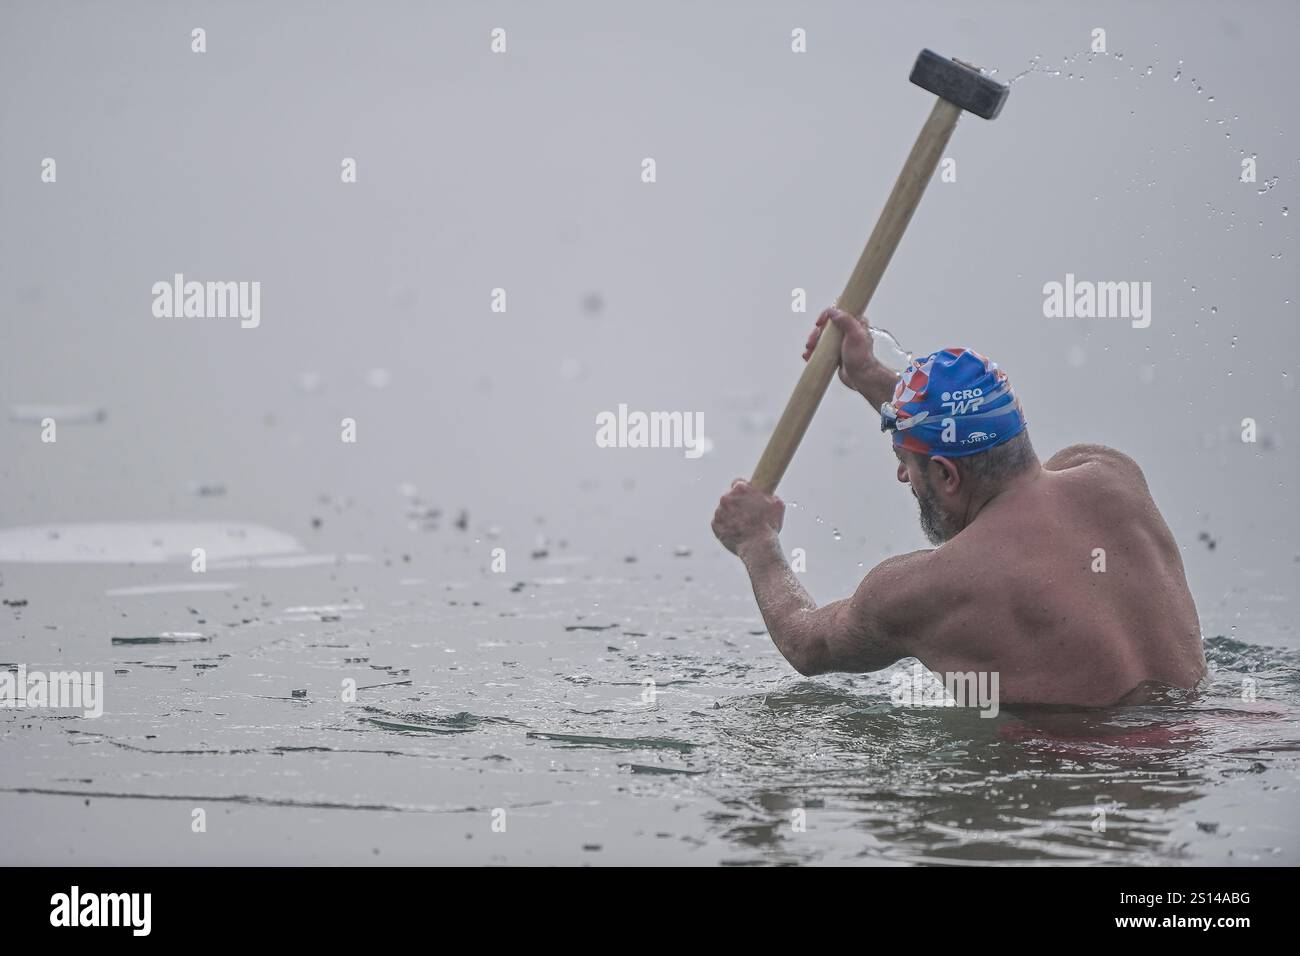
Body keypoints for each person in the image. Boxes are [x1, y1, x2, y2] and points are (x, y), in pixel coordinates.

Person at [711, 307, 1206, 707]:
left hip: (1080, 779)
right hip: (1207, 737)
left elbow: (807, 644)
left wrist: (757, 542)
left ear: (947, 475)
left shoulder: (923, 588)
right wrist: (869, 378)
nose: (903, 476)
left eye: (907, 464)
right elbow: (985, 453)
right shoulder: (1112, 475)